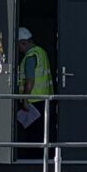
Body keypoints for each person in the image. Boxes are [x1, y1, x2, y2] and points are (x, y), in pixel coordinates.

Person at [16, 26, 55, 157]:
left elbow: (30, 80)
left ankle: (33, 157)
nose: (18, 50)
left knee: (33, 134)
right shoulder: (42, 52)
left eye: (19, 46)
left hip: (33, 102)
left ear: (23, 43)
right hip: (45, 100)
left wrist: (25, 99)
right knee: (43, 133)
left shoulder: (31, 56)